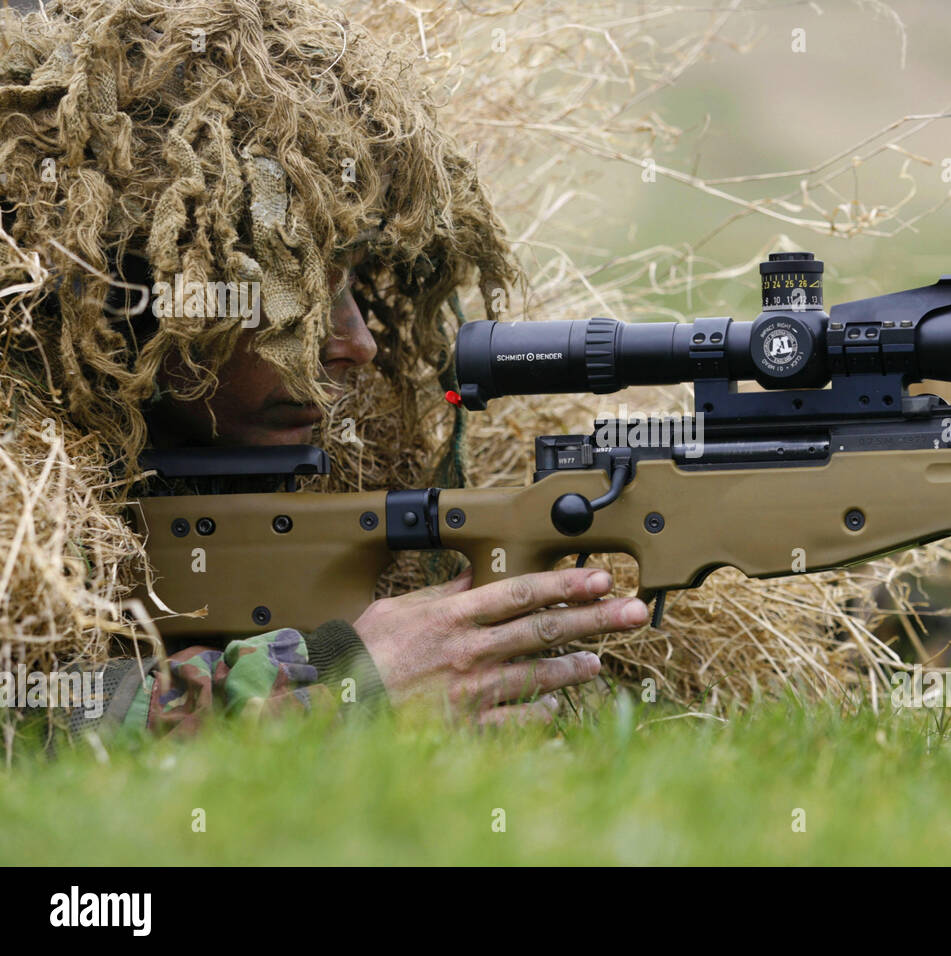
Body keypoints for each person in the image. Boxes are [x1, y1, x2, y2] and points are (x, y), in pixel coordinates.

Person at [0, 0, 646, 746]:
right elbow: (29, 720)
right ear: (127, 295)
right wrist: (339, 685)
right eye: (297, 297)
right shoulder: (26, 486)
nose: (358, 344)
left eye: (351, 291)